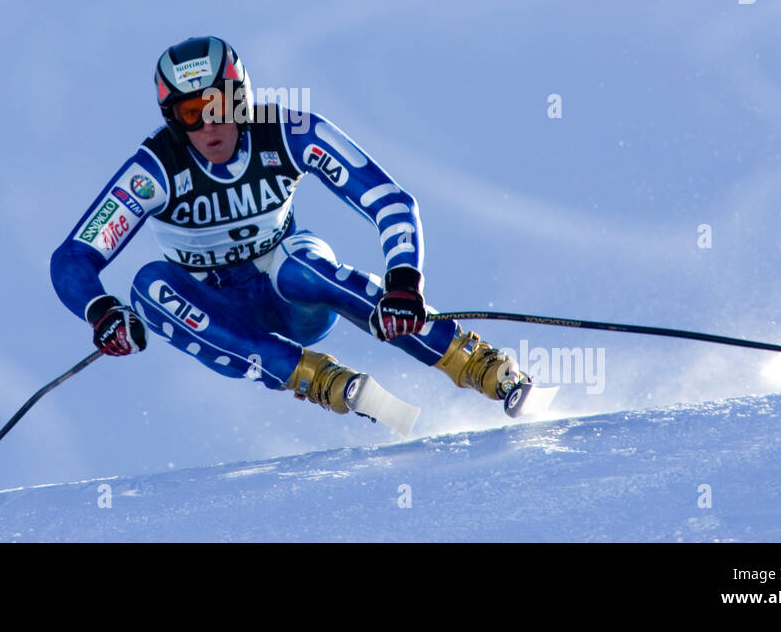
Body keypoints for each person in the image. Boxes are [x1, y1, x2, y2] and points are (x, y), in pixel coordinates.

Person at [50, 36, 522, 427]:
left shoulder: (286, 129)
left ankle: (480, 366)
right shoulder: (155, 167)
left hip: (296, 297)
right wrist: (102, 311)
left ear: (241, 97)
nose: (211, 126)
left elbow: (390, 200)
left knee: (297, 266)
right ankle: (325, 382)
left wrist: (402, 283)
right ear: (173, 119)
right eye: (192, 114)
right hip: (225, 317)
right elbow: (74, 257)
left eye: (220, 104)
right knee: (147, 288)